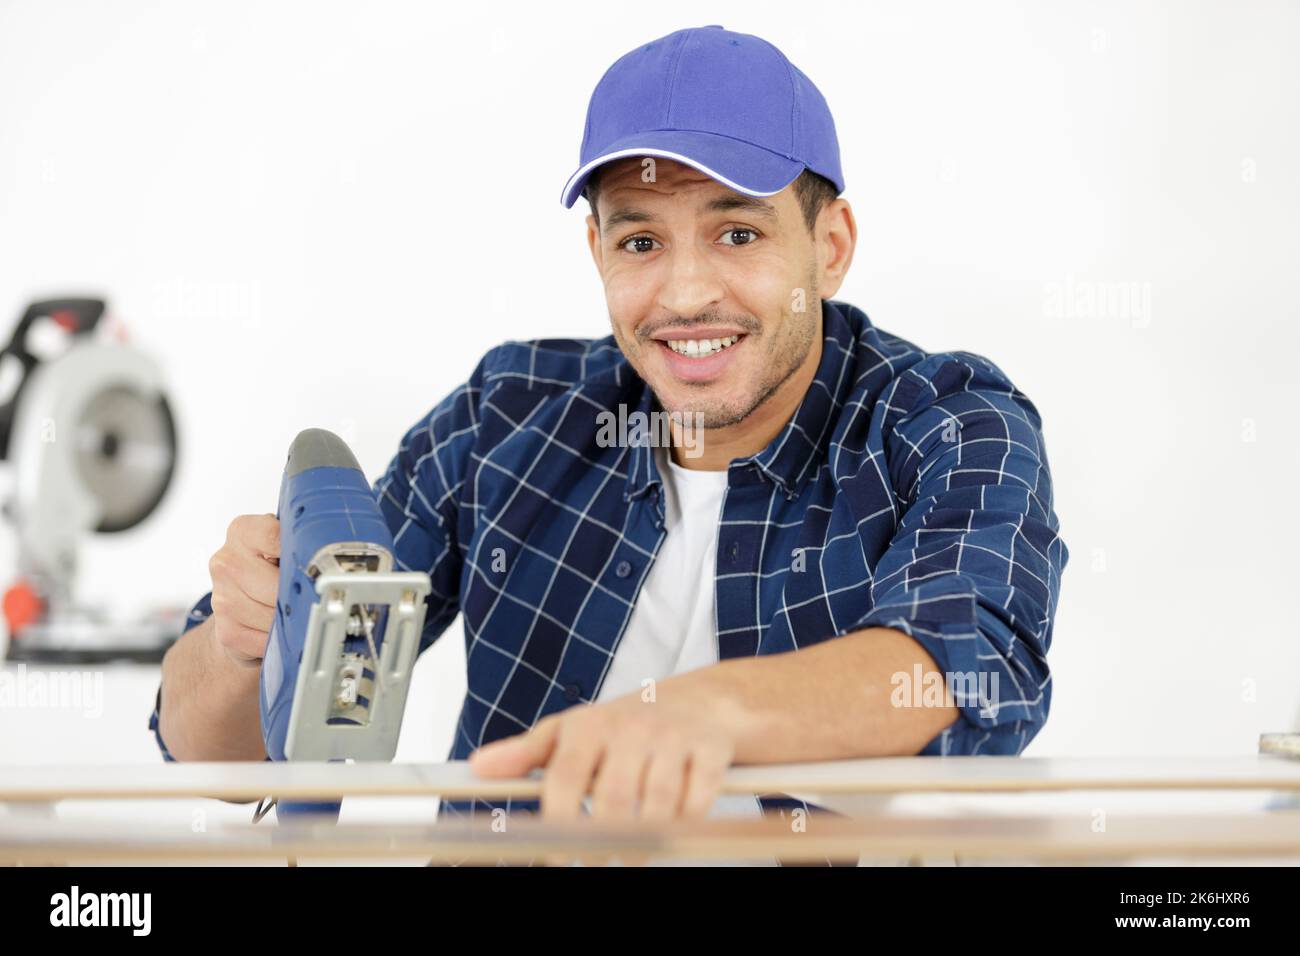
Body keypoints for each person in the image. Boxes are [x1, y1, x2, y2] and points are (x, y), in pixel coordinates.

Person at [150, 25, 1068, 862]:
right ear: (596, 250)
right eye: (640, 243)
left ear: (830, 247)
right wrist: (243, 652)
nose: (683, 295)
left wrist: (706, 715)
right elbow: (219, 756)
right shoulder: (506, 415)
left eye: (737, 232)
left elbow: (975, 666)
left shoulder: (944, 420)